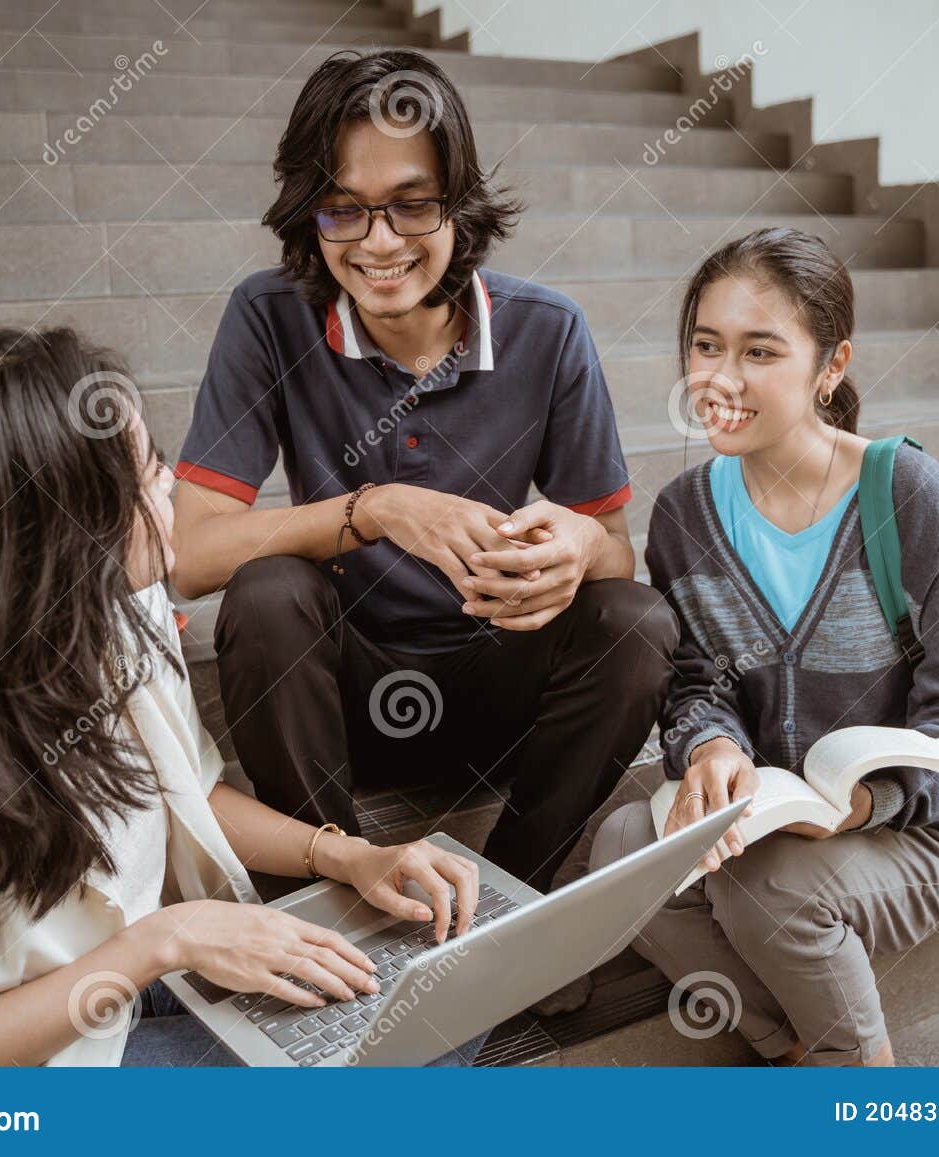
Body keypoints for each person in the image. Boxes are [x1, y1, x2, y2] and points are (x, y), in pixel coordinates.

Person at [0, 327, 489, 1067]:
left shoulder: (119, 608)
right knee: (394, 1062)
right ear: (59, 535)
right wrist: (163, 940)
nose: (170, 490)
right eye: (150, 472)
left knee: (444, 996)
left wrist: (347, 857)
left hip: (134, 985)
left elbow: (186, 792)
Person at [170, 48, 675, 893]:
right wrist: (373, 508)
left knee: (638, 621)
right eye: (344, 211)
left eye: (412, 206)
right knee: (265, 595)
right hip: (342, 698)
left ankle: (514, 899)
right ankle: (330, 900)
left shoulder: (548, 331)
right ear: (310, 213)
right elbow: (189, 555)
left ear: (458, 203)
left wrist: (579, 547)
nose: (379, 244)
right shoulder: (269, 317)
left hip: (502, 687)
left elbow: (618, 556)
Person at [590, 228, 939, 1066]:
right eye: (706, 346)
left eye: (760, 352)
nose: (720, 379)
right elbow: (695, 679)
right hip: (764, 817)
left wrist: (868, 803)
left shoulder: (906, 493)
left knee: (765, 885)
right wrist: (710, 741)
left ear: (831, 367)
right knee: (619, 854)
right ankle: (787, 1046)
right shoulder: (684, 514)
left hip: (909, 832)